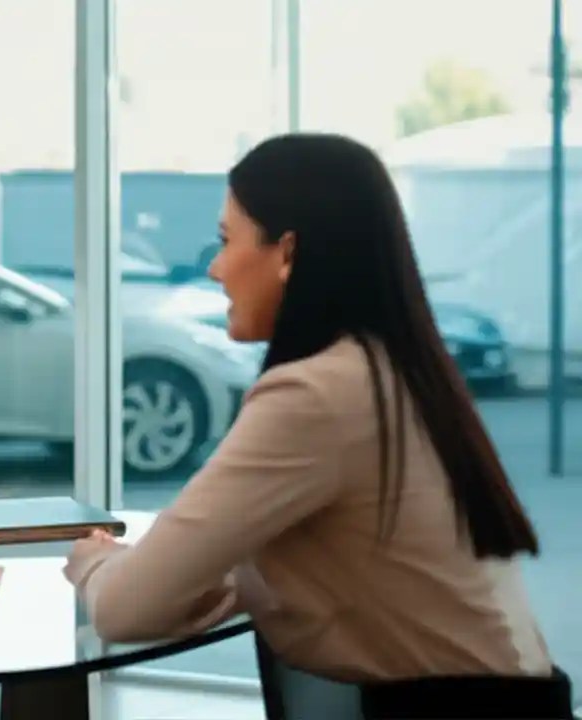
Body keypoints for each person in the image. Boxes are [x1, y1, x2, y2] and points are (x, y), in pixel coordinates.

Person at [65, 133, 553, 682]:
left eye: (226, 241)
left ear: (288, 254)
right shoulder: (389, 370)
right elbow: (293, 571)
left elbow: (124, 611)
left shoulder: (317, 396)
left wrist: (95, 564)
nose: (215, 269)